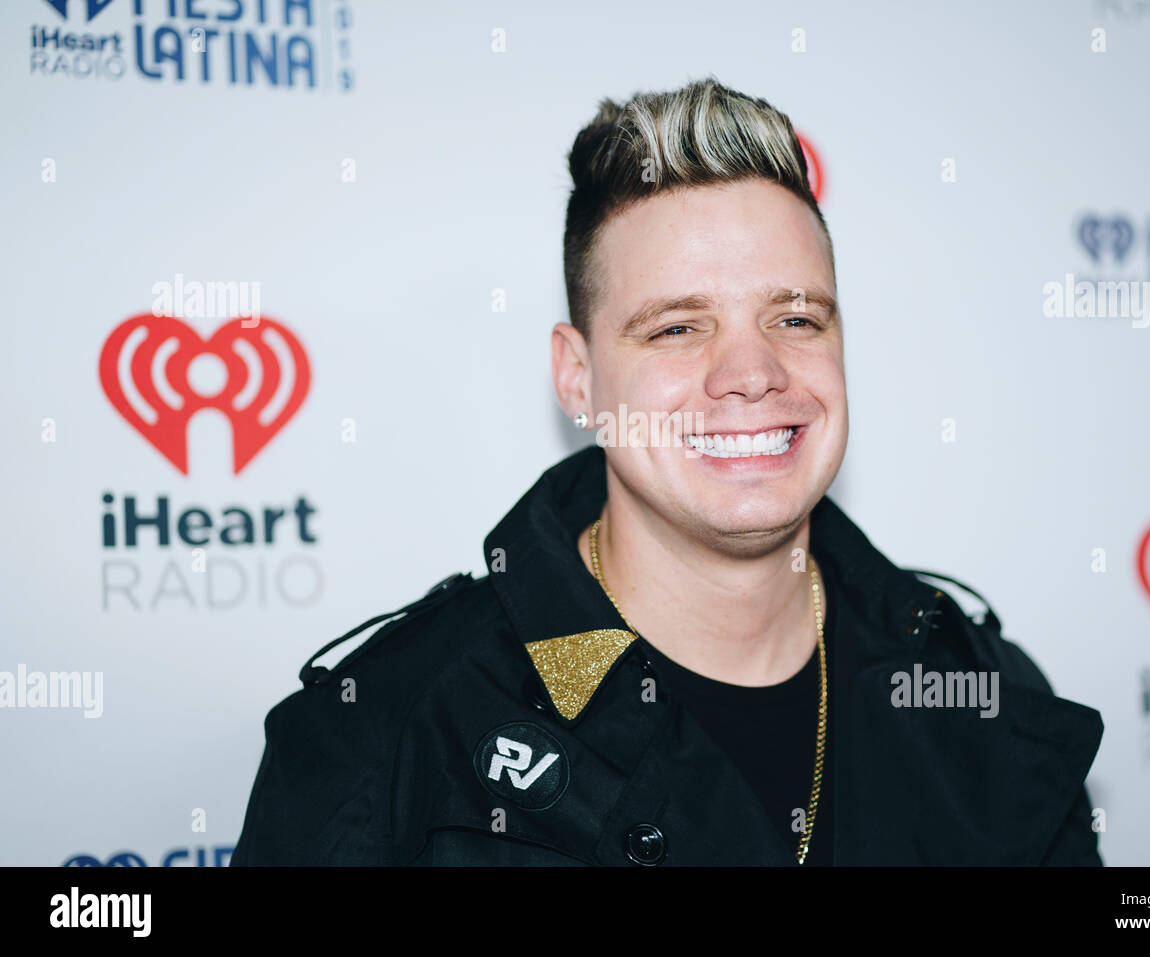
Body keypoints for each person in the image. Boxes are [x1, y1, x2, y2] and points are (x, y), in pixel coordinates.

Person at [231, 76, 1103, 866]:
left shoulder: (980, 690)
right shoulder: (387, 728)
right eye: (678, 328)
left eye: (797, 318)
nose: (752, 372)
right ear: (578, 377)